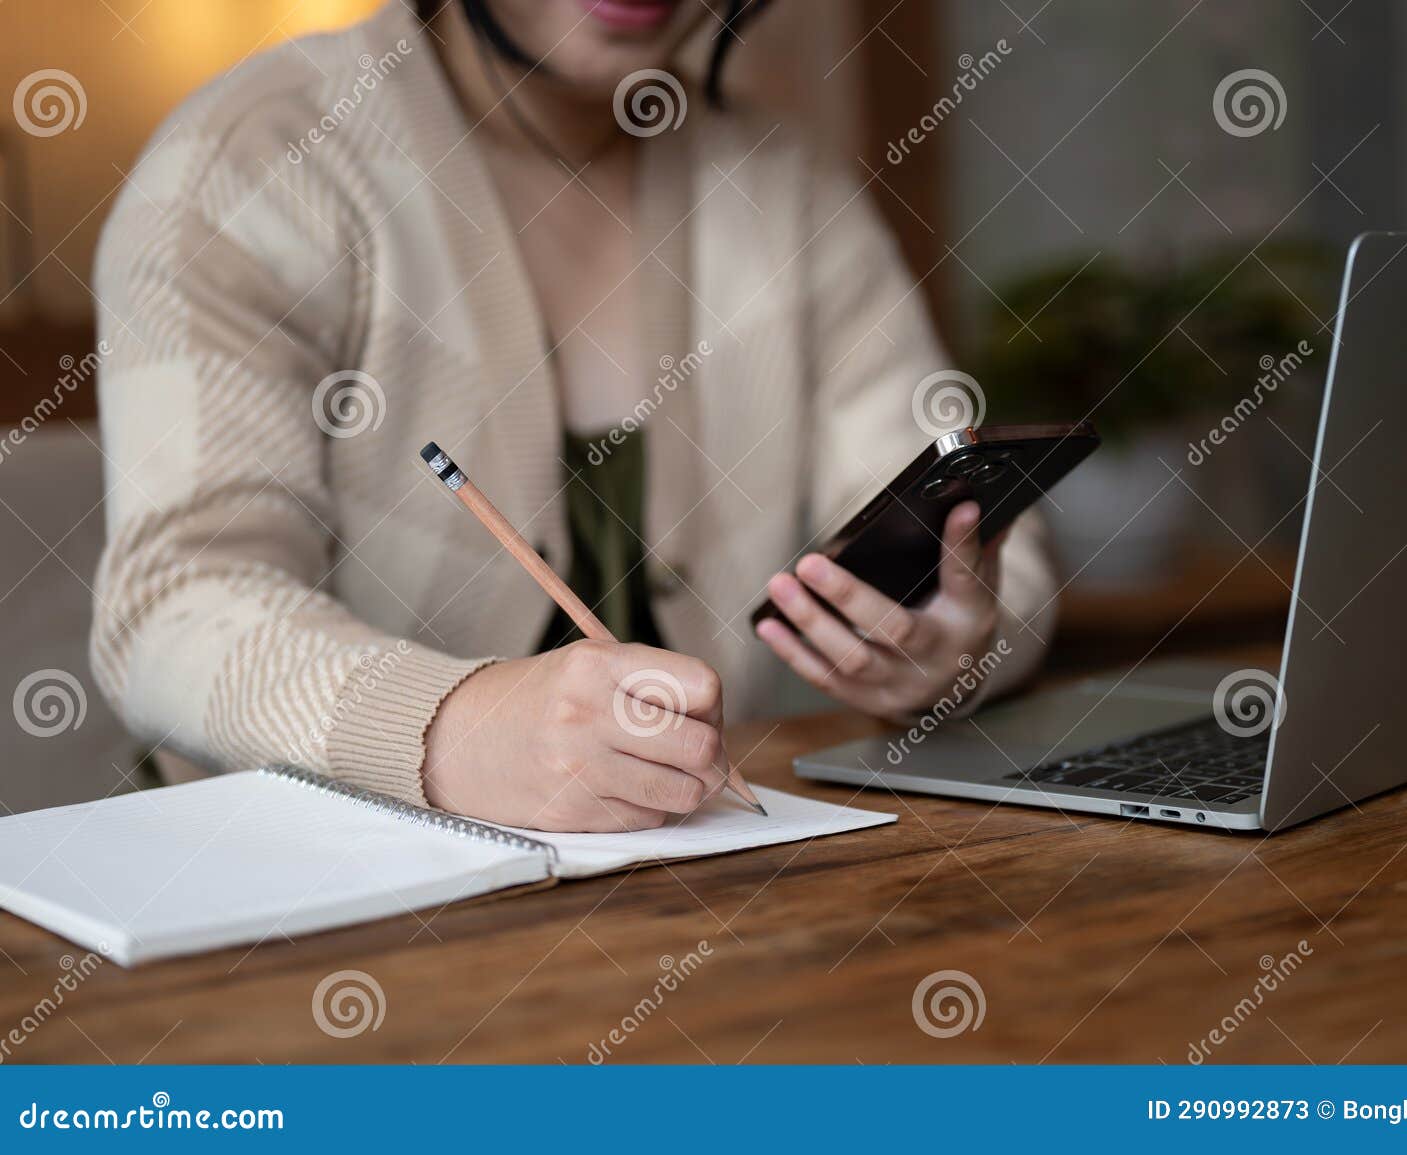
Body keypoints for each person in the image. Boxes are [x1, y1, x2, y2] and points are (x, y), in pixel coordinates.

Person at [89, 0, 1058, 832]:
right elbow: (172, 603)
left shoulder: (782, 184)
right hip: (293, 912)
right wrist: (450, 724)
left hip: (683, 908)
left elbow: (991, 545)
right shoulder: (254, 160)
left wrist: (956, 642)